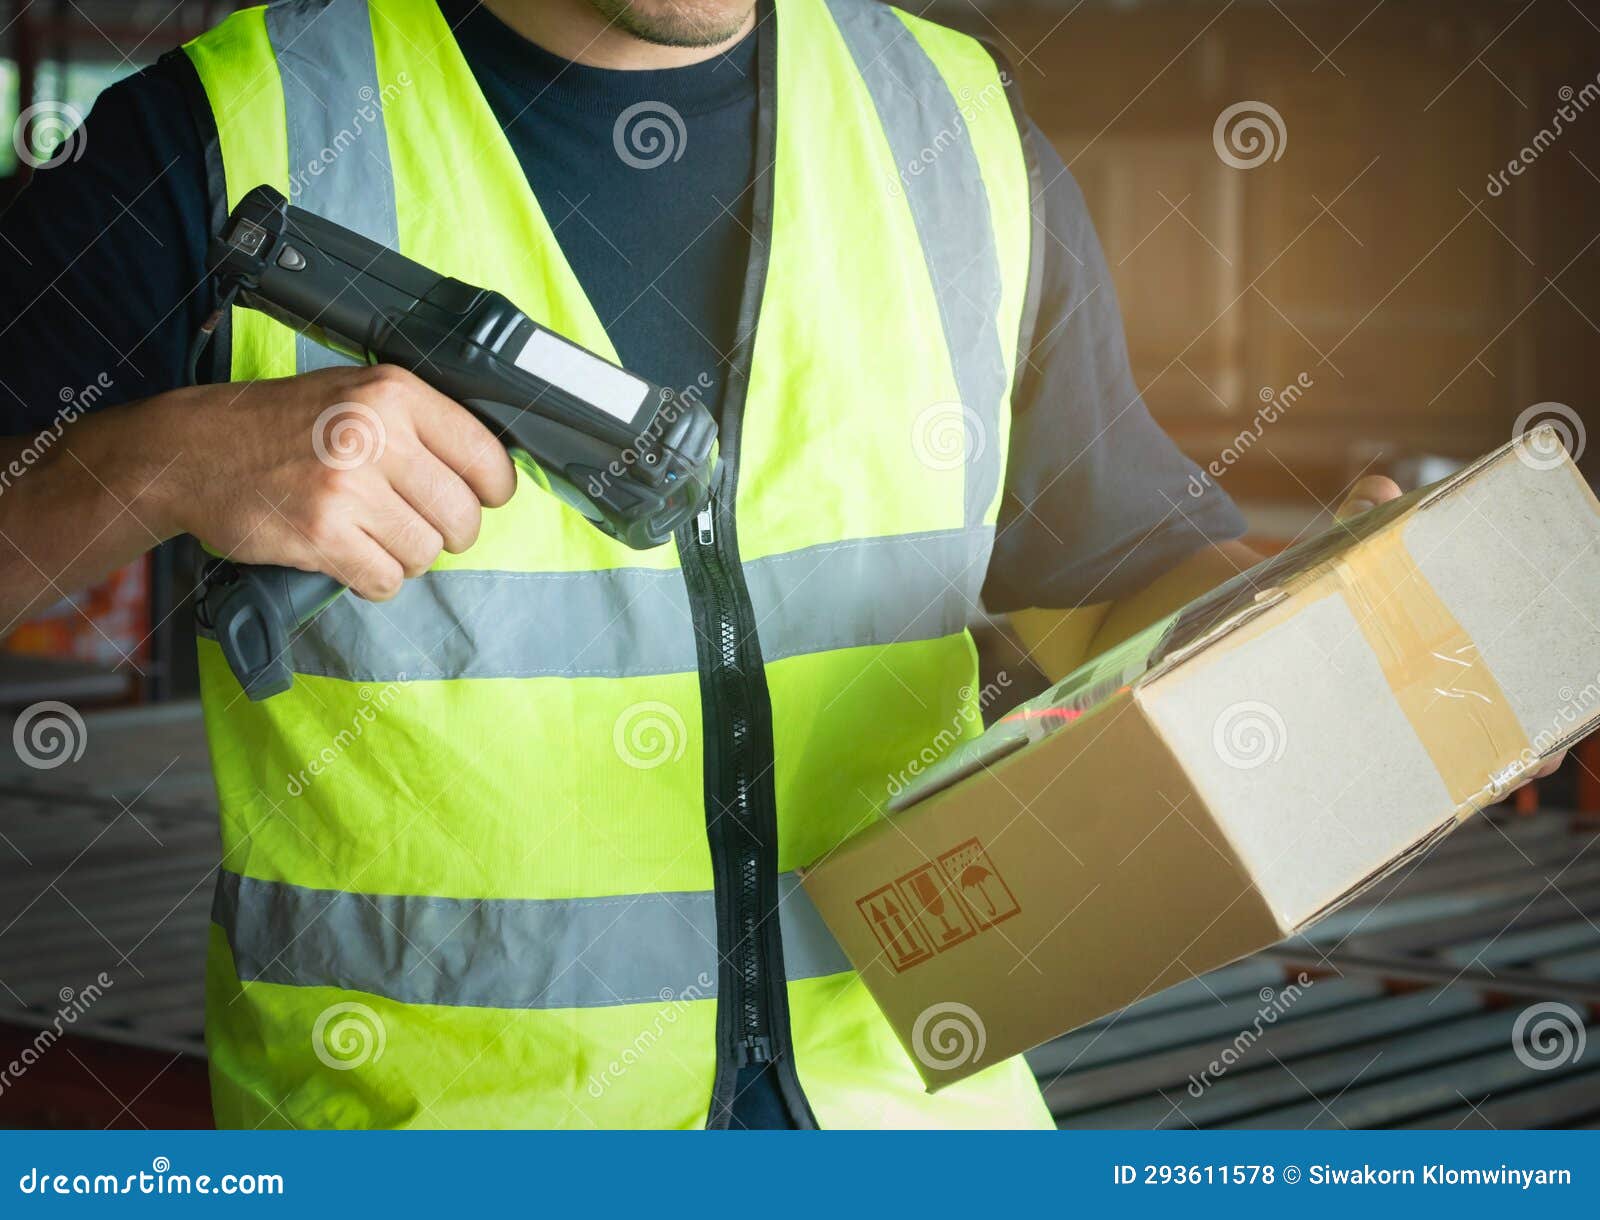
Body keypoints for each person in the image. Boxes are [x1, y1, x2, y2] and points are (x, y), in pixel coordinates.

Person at [0, 0, 1426, 1128]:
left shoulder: (955, 126)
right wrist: (159, 461)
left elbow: (1116, 574)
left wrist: (1299, 623)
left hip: (910, 1123)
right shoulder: (226, 128)